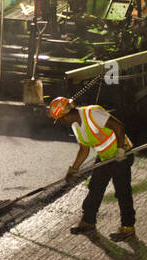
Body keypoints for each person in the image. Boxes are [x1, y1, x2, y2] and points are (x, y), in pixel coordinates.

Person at [51, 97, 136, 242]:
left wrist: (121, 149)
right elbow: (84, 149)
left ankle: (128, 227)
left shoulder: (92, 113)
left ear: (65, 115)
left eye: (59, 119)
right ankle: (88, 221)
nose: (60, 122)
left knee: (122, 191)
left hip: (121, 155)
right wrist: (74, 168)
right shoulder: (75, 126)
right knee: (95, 187)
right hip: (104, 158)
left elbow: (118, 127)